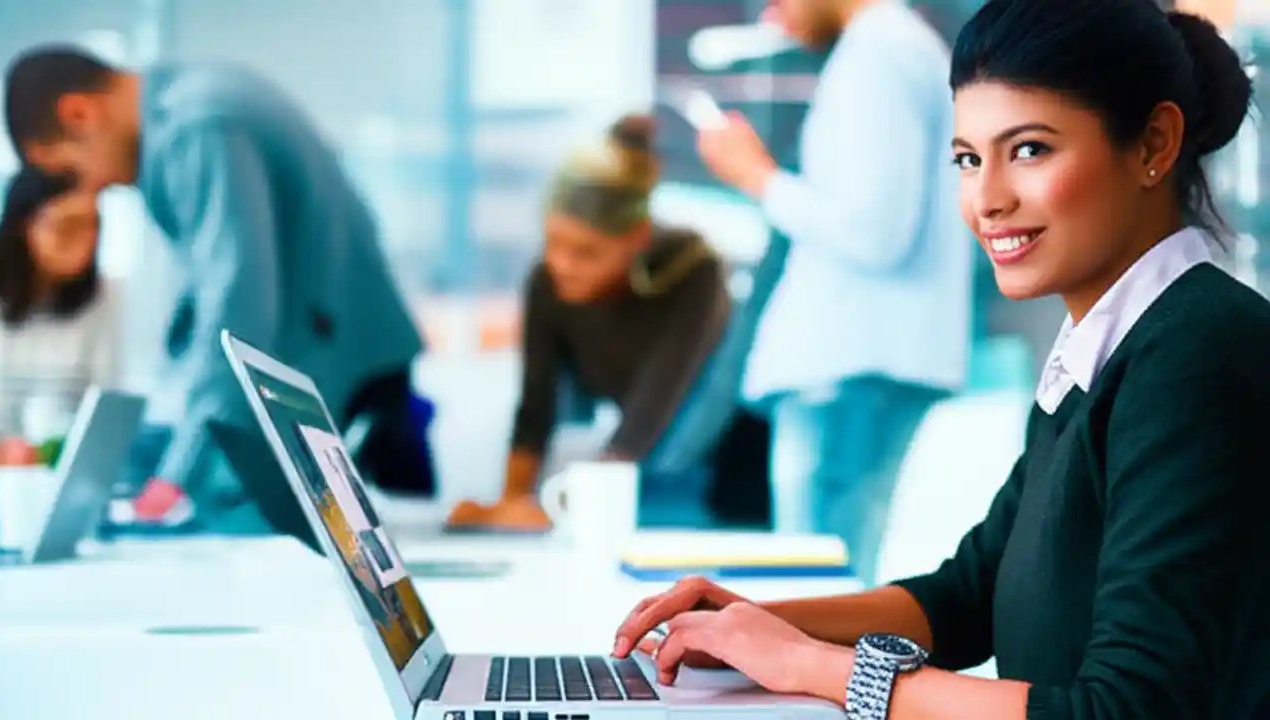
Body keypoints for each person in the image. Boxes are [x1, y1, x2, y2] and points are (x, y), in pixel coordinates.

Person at [610, 1, 1270, 717]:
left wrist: (811, 666)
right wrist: (762, 622)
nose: (986, 199)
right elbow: (968, 596)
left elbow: (1125, 710)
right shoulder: (1105, 352)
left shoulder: (1199, 354)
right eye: (967, 159)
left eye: (1029, 150)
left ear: (1152, 145)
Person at [2, 48, 435, 519]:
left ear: (79, 113)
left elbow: (236, 307)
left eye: (69, 171)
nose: (93, 190)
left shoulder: (197, 128)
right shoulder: (192, 92)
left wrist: (176, 474)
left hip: (339, 378)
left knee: (247, 535)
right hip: (352, 363)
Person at [693, 0, 972, 585]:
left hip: (850, 368)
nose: (772, 14)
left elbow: (874, 235)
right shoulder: (893, 49)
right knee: (830, 595)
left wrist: (756, 177)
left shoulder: (880, 52)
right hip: (861, 366)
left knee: (816, 603)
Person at [446, 115, 729, 530]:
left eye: (587, 252)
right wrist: (510, 503)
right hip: (640, 466)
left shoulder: (692, 270)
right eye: (553, 243)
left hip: (719, 470)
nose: (564, 265)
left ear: (638, 237)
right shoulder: (547, 278)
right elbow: (535, 406)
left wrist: (577, 507)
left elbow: (649, 411)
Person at [0, 167, 120, 465]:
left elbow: (106, 406)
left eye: (93, 225)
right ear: (25, 224)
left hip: (54, 468)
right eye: (69, 225)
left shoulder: (103, 295)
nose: (84, 241)